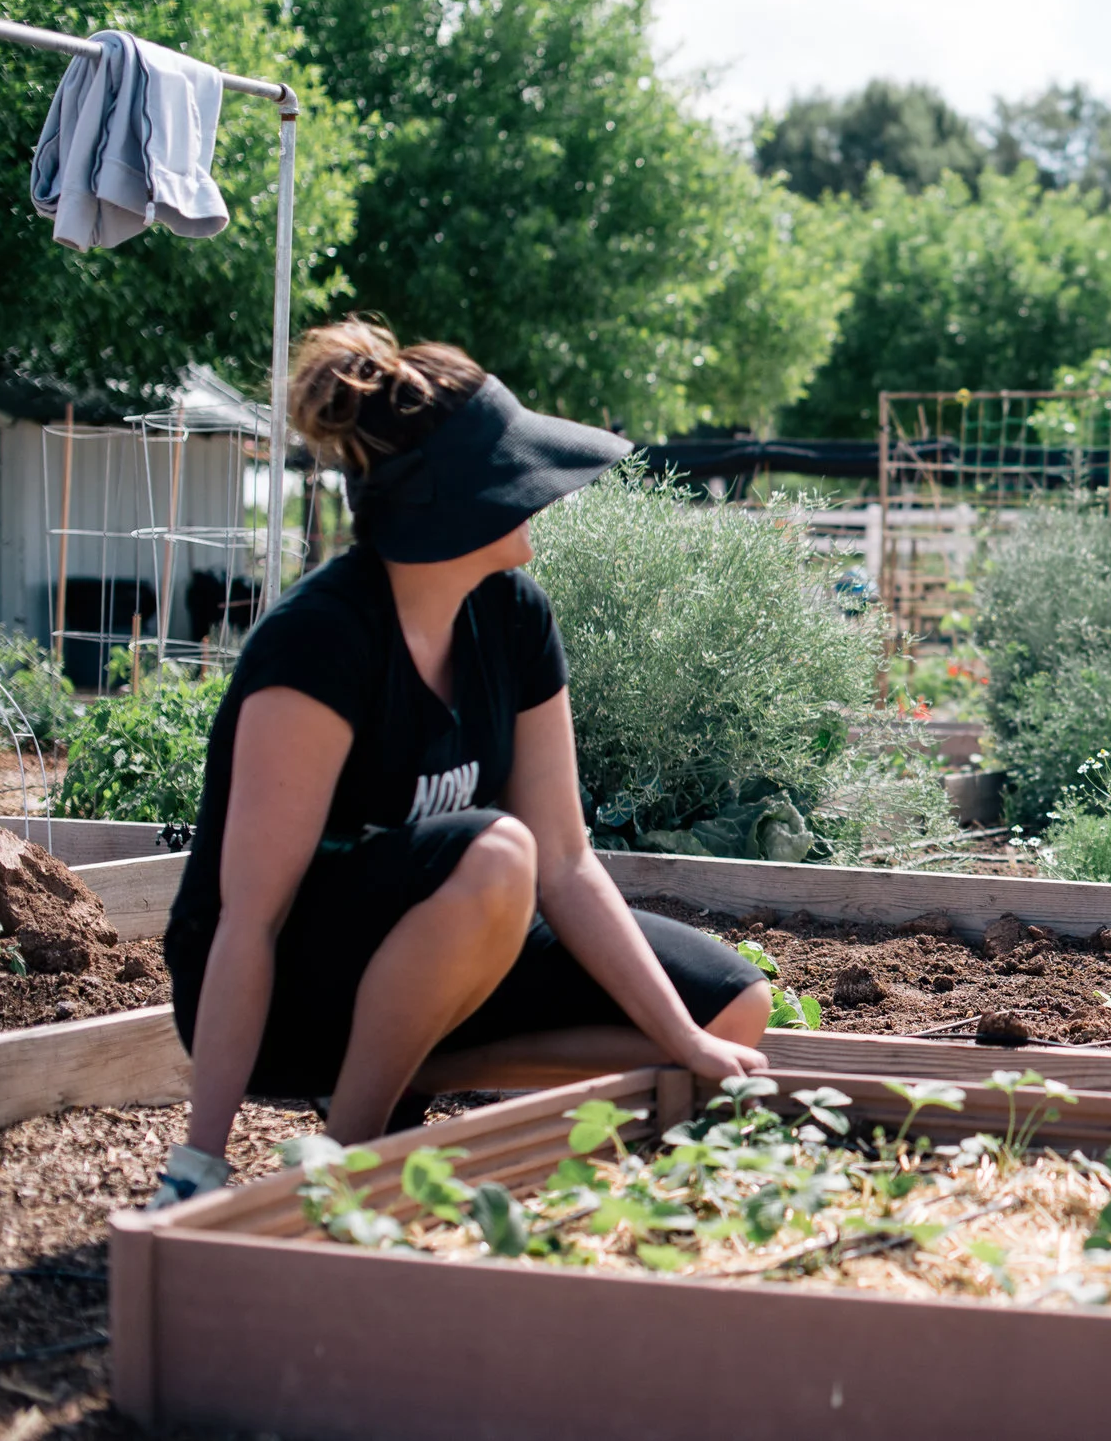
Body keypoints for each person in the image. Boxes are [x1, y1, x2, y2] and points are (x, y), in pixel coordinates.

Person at [152, 323, 771, 1206]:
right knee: (498, 853)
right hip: (291, 989)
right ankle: (347, 1162)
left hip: (449, 949)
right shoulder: (321, 641)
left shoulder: (515, 616)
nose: (538, 492)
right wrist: (199, 1159)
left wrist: (685, 1039)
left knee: (731, 1009)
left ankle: (412, 1060)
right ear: (453, 502)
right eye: (513, 471)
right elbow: (249, 919)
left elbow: (567, 861)